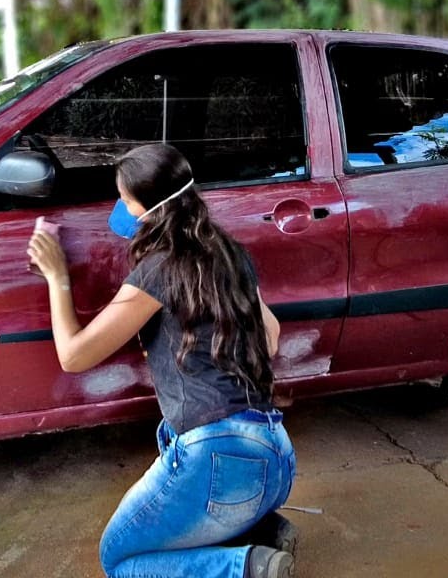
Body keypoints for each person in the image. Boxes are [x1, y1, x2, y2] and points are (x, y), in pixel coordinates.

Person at [26, 143, 298, 578]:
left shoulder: (159, 270)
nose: (119, 209)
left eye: (125, 200)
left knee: (119, 560)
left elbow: (73, 356)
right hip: (275, 455)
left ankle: (246, 565)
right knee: (169, 431)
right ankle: (262, 528)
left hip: (221, 463)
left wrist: (57, 277)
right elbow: (271, 338)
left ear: (150, 209)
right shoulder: (231, 254)